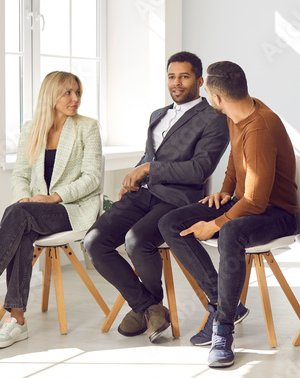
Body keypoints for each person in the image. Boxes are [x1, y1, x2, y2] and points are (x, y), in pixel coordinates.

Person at [0, 71, 102, 349]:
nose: (75, 99)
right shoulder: (31, 128)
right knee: (21, 225)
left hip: (72, 209)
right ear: (51, 95)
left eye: (77, 92)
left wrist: (53, 198)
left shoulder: (87, 127)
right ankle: (16, 321)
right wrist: (27, 199)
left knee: (19, 214)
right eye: (68, 93)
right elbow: (20, 177)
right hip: (36, 212)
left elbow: (92, 178)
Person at [158, 61, 299, 368]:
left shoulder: (260, 127)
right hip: (246, 202)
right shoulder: (237, 115)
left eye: (207, 91)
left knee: (231, 232)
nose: (207, 96)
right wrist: (224, 191)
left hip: (278, 214)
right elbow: (236, 161)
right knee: (170, 222)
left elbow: (256, 202)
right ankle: (226, 304)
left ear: (217, 98)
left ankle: (223, 327)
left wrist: (215, 224)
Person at [83, 51, 229, 344]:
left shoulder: (214, 118)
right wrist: (136, 173)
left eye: (184, 76)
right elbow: (151, 155)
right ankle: (149, 307)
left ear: (200, 81)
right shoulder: (158, 115)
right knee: (94, 242)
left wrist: (150, 168)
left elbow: (200, 170)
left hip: (177, 200)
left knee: (137, 240)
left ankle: (147, 308)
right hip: (143, 194)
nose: (177, 83)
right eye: (172, 76)